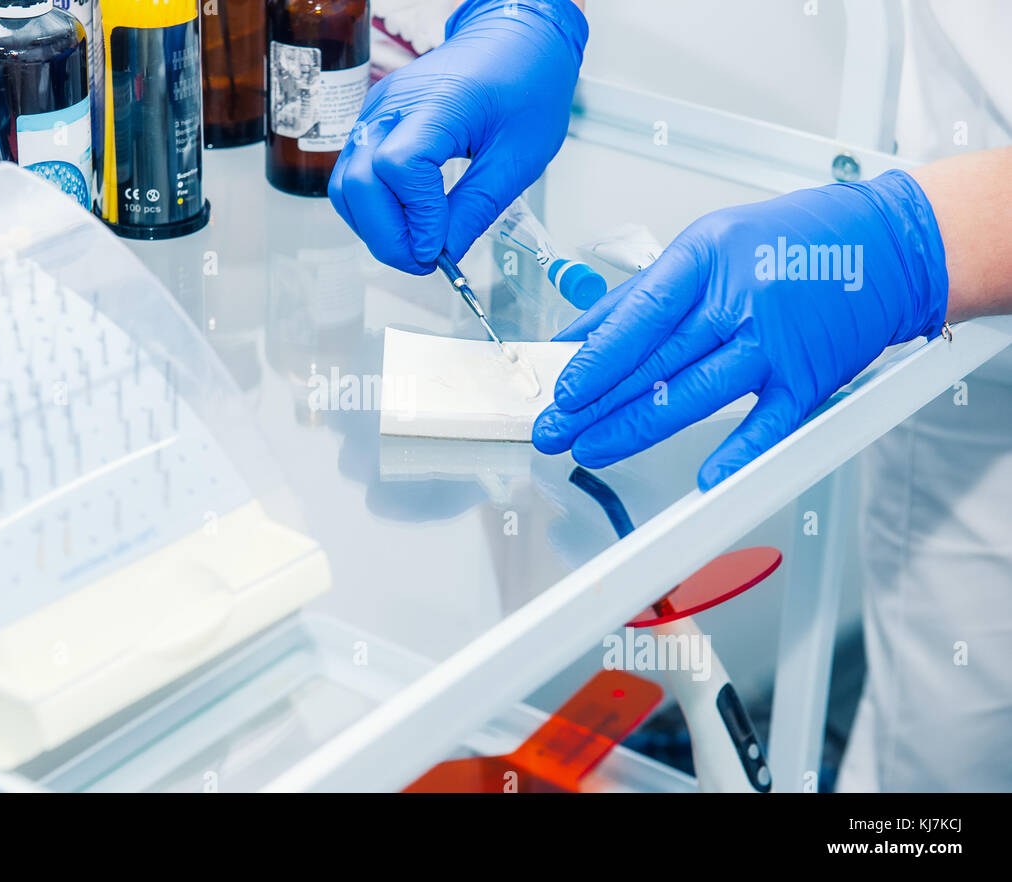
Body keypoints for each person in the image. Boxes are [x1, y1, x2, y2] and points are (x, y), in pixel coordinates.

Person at [331, 0, 1012, 791]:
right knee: (941, 761)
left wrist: (915, 243)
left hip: (959, 238)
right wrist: (525, 12)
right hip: (973, 280)